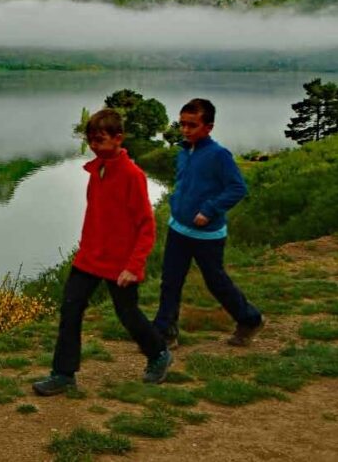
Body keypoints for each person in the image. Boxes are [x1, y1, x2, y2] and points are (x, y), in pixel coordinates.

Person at [33, 109, 172, 396]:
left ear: (118, 138)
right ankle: (63, 374)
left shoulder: (132, 176)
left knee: (128, 314)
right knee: (71, 309)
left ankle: (159, 353)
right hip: (89, 257)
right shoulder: (98, 170)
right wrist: (85, 248)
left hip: (120, 263)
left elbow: (146, 225)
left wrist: (134, 265)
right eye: (91, 140)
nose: (94, 145)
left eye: (100, 139)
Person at [153, 98, 264, 348]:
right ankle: (165, 331)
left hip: (206, 235)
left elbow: (237, 188)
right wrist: (175, 203)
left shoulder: (219, 155)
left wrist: (209, 210)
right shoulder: (184, 151)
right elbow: (185, 184)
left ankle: (250, 319)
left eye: (192, 125)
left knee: (216, 283)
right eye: (182, 124)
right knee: (170, 280)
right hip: (178, 228)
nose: (185, 129)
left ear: (208, 127)